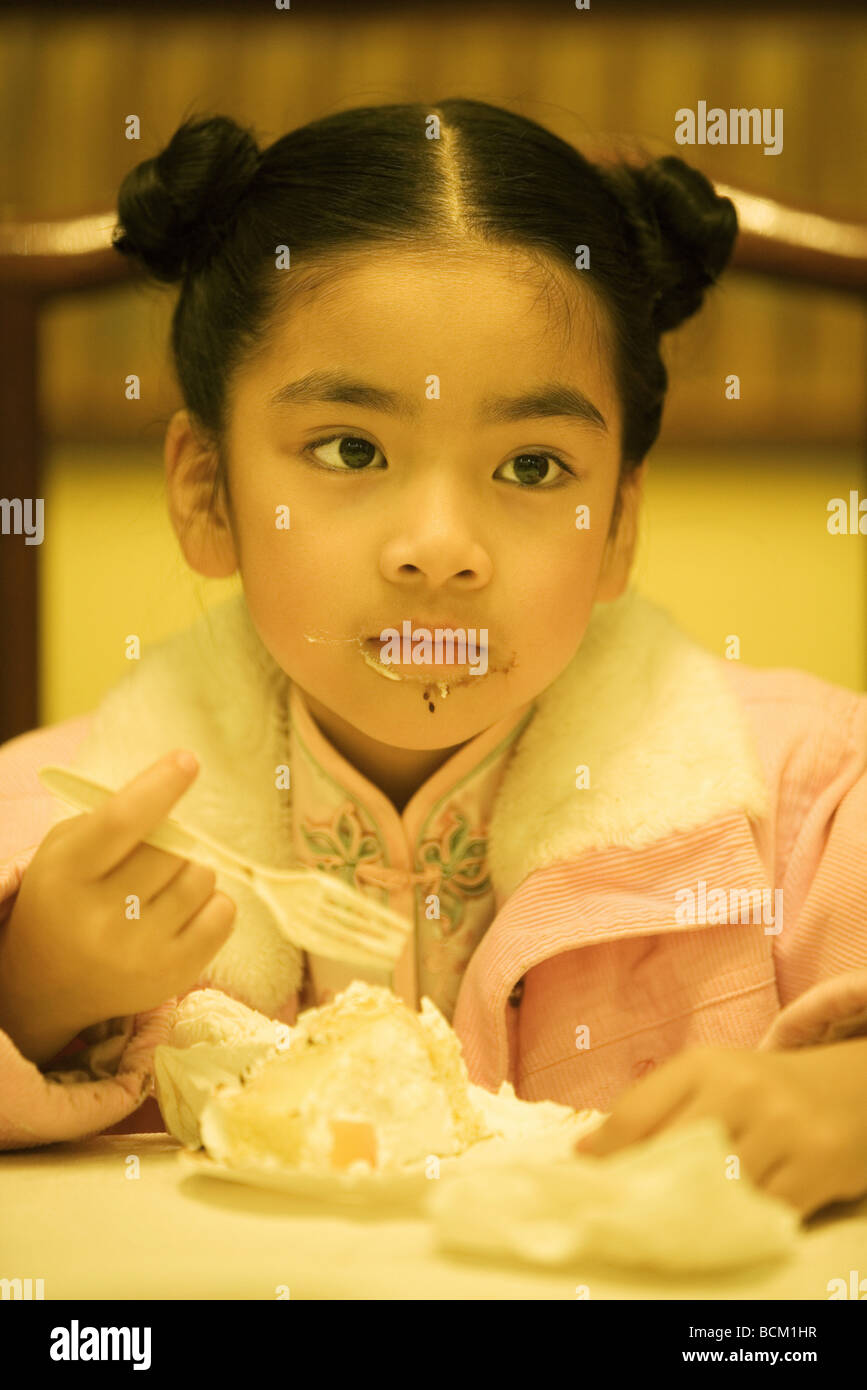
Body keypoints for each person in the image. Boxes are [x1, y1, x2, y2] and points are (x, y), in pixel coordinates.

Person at [1, 100, 866, 1219]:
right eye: (351, 449)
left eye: (532, 468)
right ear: (208, 489)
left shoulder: (808, 801)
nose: (440, 551)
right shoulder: (50, 836)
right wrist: (30, 995)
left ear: (616, 524)